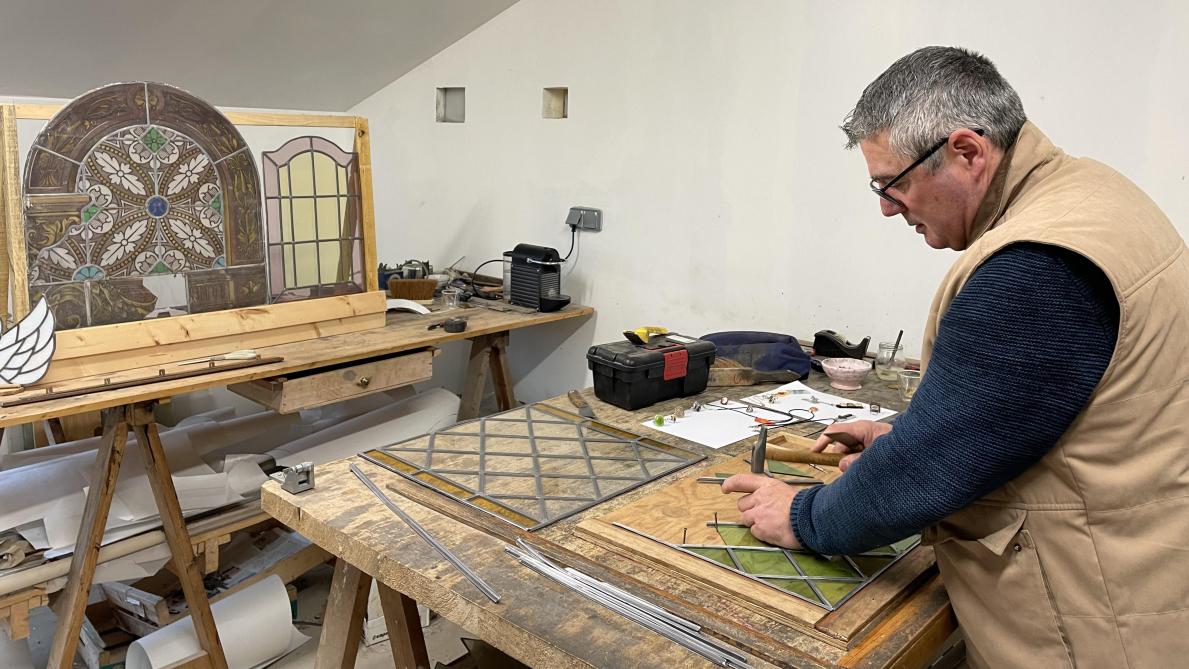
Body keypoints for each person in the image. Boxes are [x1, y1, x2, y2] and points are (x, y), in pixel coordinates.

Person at [722, 46, 1189, 668]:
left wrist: (804, 516)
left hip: (1093, 620)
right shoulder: (1091, 196)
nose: (888, 207)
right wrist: (903, 429)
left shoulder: (1036, 264)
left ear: (968, 153)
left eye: (894, 184)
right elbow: (1034, 408)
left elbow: (927, 472)